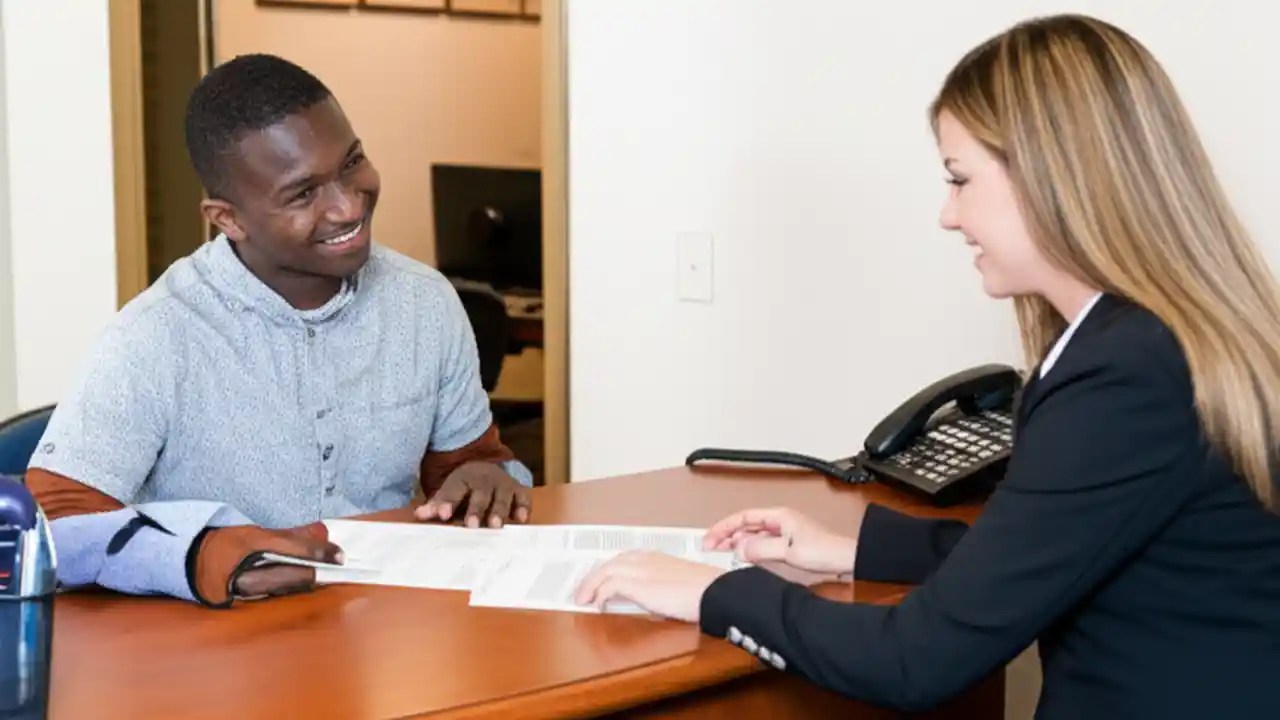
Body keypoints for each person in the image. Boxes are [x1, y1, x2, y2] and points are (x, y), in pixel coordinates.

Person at [574, 14, 1280, 718]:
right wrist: (852, 548)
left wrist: (708, 592)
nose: (948, 215)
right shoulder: (1153, 343)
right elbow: (1051, 543)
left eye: (960, 179)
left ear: (1052, 174)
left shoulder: (1125, 376)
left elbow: (917, 658)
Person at [25, 54, 533, 607]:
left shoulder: (426, 303)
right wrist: (199, 556)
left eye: (352, 162)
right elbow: (48, 531)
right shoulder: (153, 338)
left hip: (378, 640)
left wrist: (490, 476)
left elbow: (466, 466)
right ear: (229, 219)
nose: (347, 206)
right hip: (211, 655)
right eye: (303, 193)